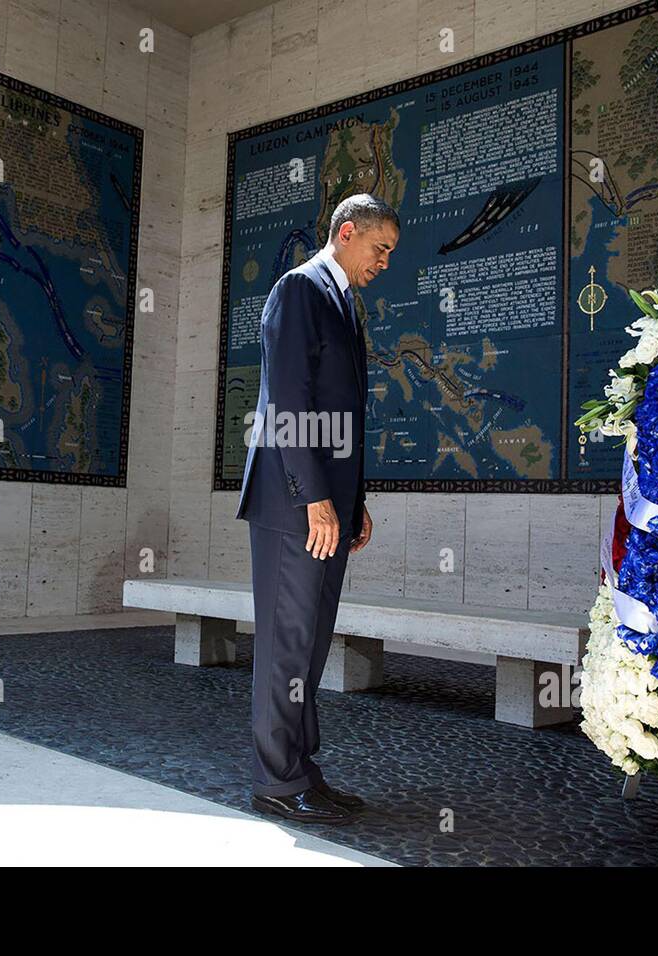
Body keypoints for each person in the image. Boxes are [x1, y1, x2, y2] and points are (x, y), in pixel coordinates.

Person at [236, 194, 399, 824]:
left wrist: (352, 502)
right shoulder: (299, 290)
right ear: (348, 232)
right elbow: (288, 401)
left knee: (310, 648)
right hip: (292, 507)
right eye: (380, 248)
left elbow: (344, 416)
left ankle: (303, 771)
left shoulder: (344, 303)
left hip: (325, 505)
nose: (385, 262)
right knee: (287, 646)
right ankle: (275, 782)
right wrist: (316, 500)